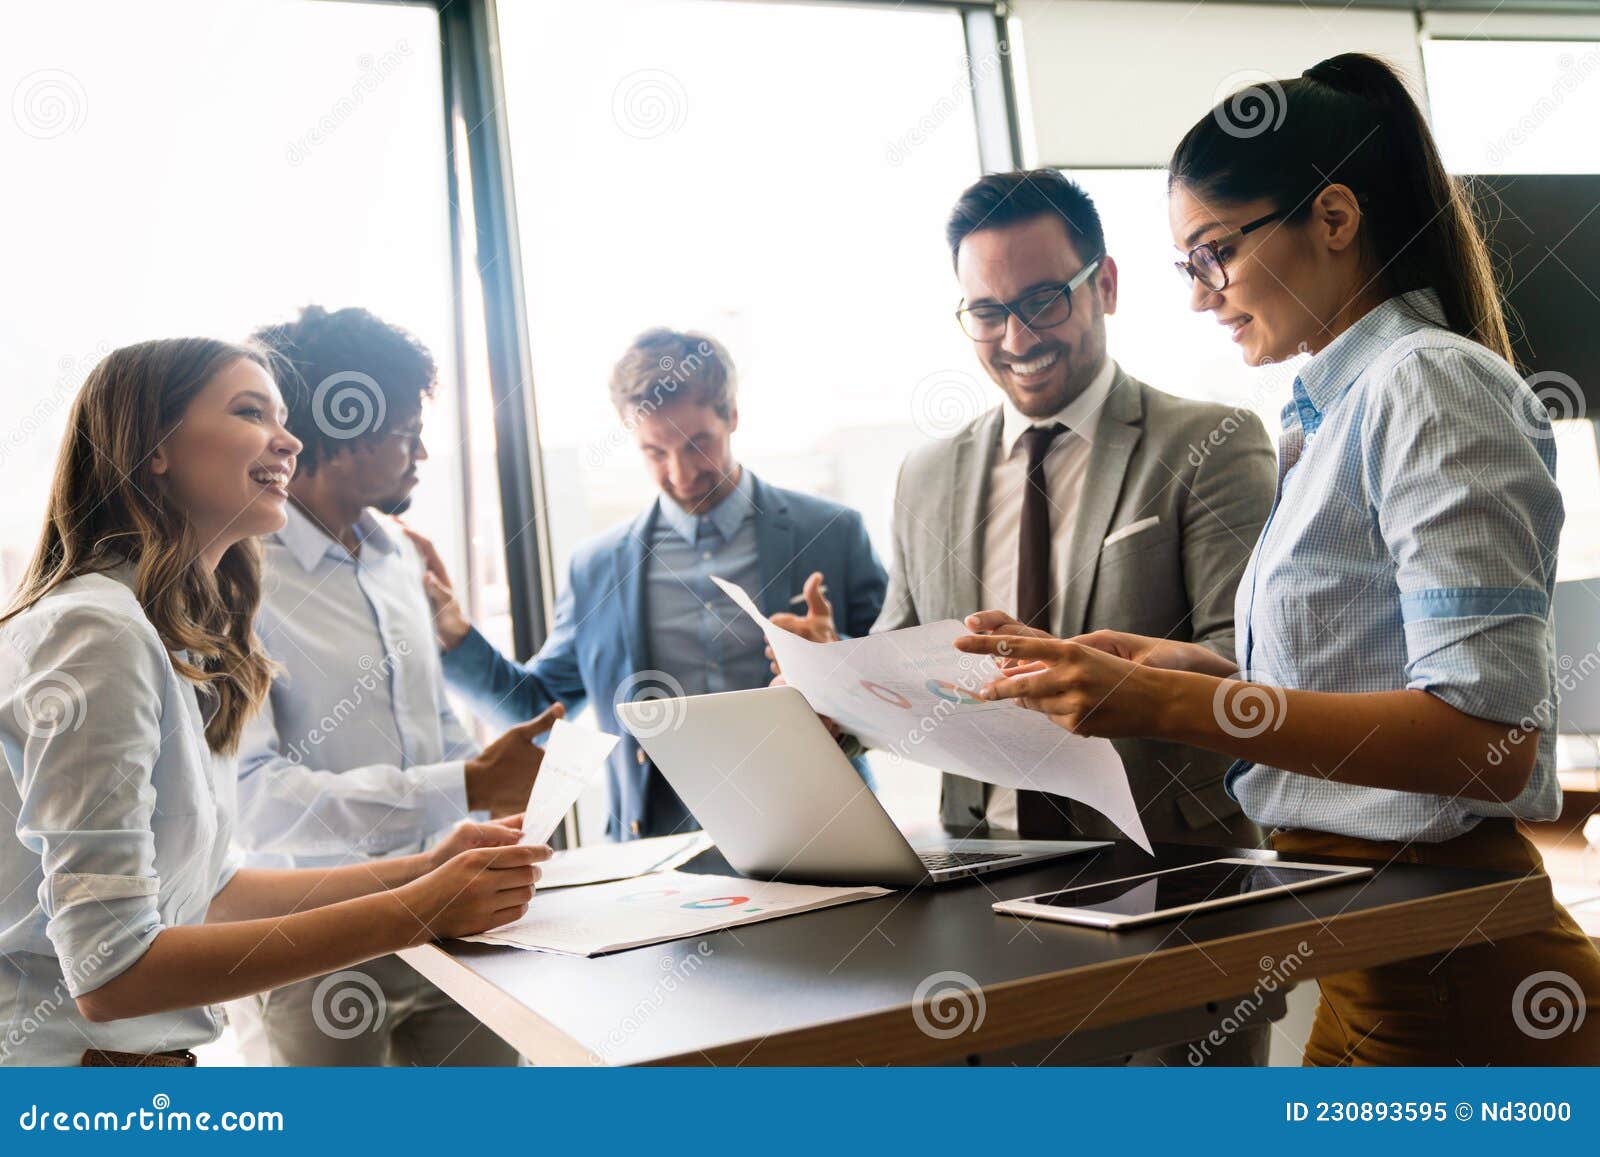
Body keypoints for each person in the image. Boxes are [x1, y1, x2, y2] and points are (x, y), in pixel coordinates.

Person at [955, 53, 1600, 1065]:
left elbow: (1488, 738)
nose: (1204, 295)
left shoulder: (1427, 387)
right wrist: (1200, 675)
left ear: (1333, 219)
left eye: (1214, 252)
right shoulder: (1331, 412)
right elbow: (1368, 678)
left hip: (1456, 968)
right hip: (1368, 950)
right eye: (1187, 266)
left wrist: (1163, 708)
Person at [0, 338, 545, 1067]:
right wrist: (423, 908)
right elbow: (110, 970)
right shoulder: (96, 630)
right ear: (155, 447)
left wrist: (426, 868)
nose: (289, 439)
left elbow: (211, 893)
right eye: (251, 412)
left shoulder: (168, 635)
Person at [779, 171, 1276, 851]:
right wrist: (833, 682)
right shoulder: (925, 476)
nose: (1016, 339)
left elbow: (1254, 668)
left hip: (1171, 854)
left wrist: (1118, 679)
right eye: (987, 312)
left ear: (1105, 286)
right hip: (982, 859)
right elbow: (902, 672)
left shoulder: (1207, 446)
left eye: (1042, 301)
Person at [227, 306, 557, 1066]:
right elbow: (254, 798)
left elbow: (434, 728)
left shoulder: (396, 556)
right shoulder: (238, 577)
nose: (423, 452)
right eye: (407, 432)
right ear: (340, 435)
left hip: (449, 916)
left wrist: (493, 790)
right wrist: (465, 779)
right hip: (311, 943)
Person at [412, 328, 887, 840]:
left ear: (732, 416)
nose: (681, 473)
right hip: (658, 856)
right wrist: (454, 634)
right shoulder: (596, 568)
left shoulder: (833, 533)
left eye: (697, 443)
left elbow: (899, 695)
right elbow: (538, 709)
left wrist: (831, 664)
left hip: (825, 829)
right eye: (655, 452)